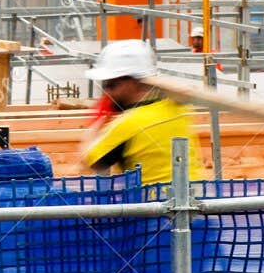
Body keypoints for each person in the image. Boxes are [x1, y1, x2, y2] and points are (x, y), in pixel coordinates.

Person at [78, 40, 201, 186]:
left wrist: (99, 120)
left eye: (111, 85)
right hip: (197, 199)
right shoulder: (177, 108)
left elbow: (87, 161)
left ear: (132, 82)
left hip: (154, 205)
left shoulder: (127, 124)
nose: (108, 92)